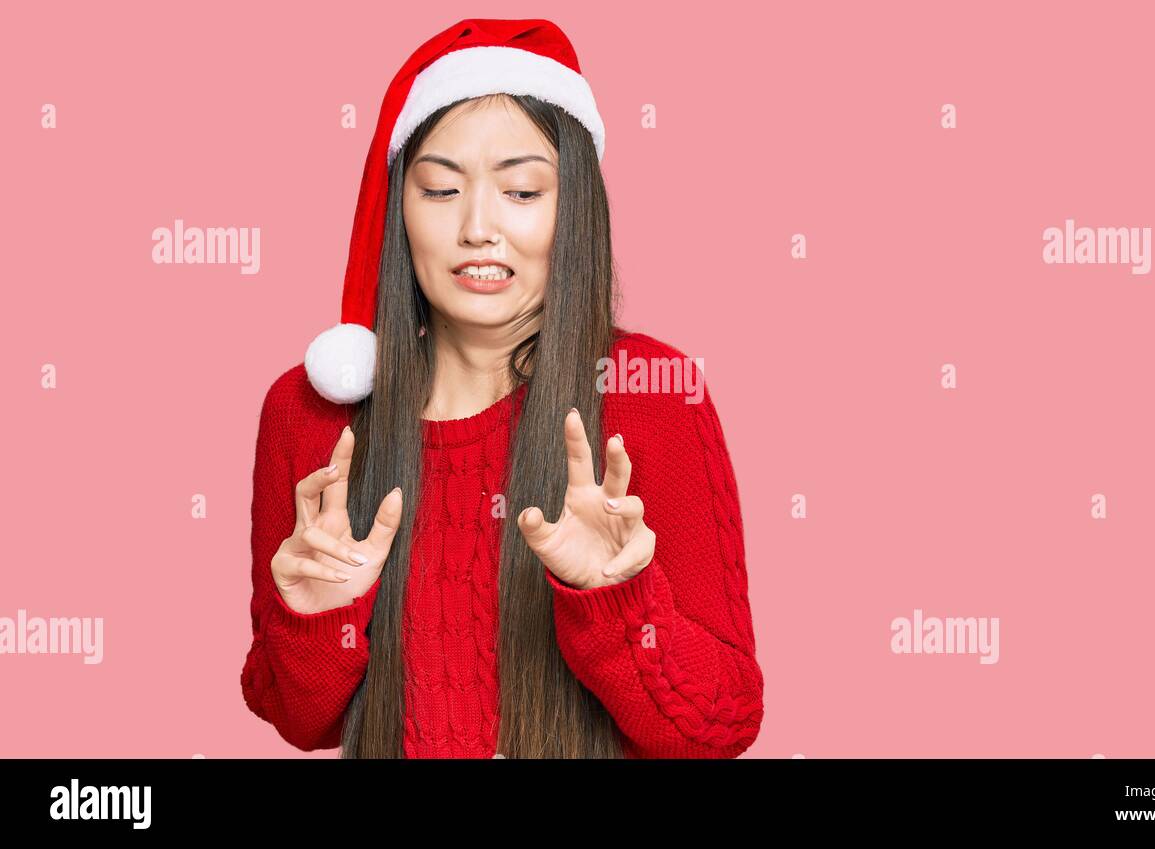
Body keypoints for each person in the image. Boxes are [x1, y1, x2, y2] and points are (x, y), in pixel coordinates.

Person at [239, 18, 763, 758]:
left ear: (573, 207)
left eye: (521, 191)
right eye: (442, 188)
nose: (479, 227)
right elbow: (300, 719)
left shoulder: (651, 394)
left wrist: (618, 601)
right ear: (400, 209)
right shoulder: (309, 413)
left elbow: (723, 725)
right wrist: (321, 615)